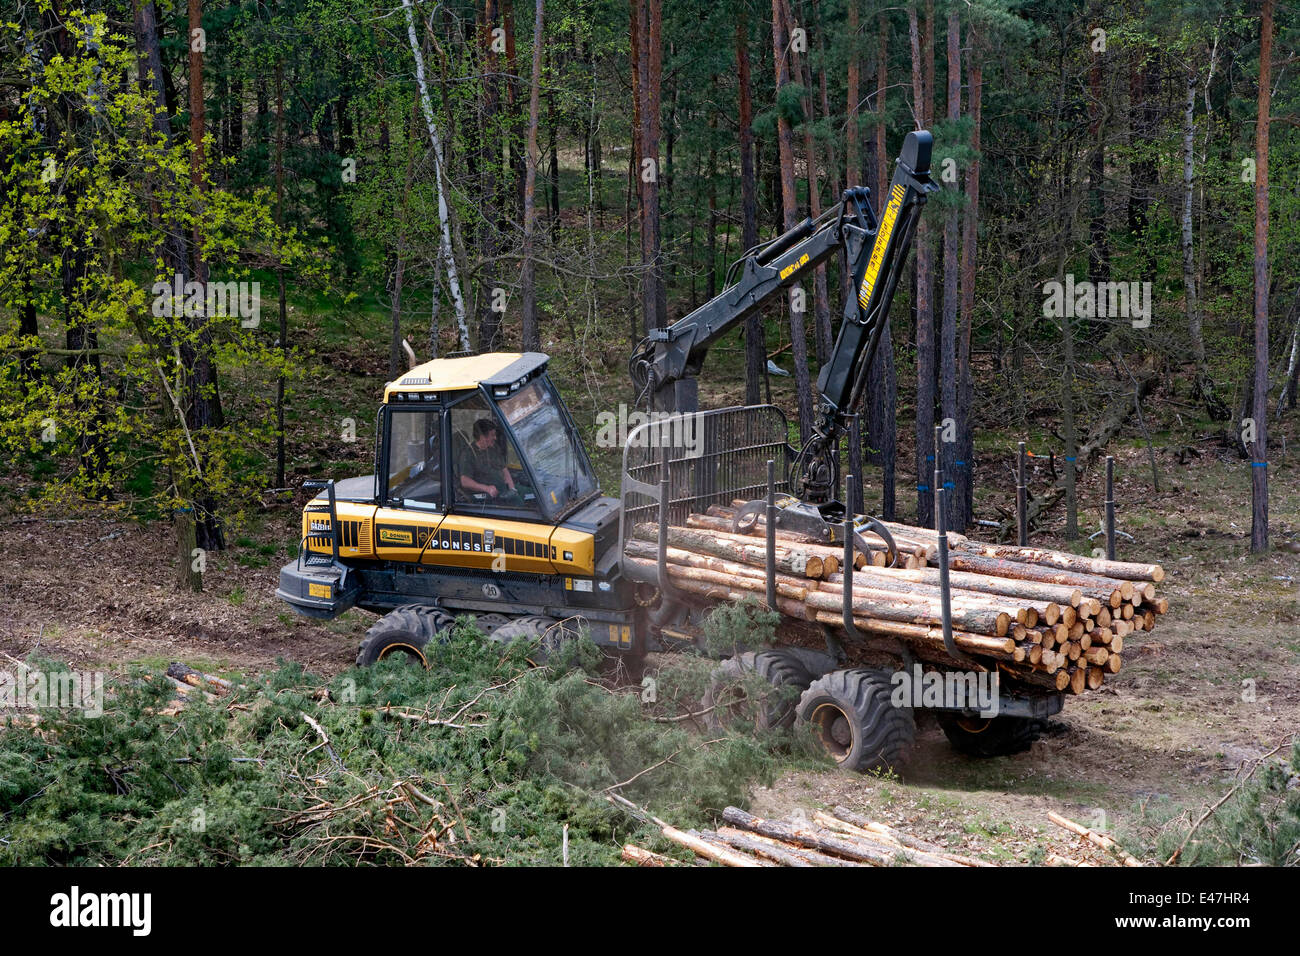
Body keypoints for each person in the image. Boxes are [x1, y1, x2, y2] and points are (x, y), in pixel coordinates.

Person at [457, 418, 515, 500]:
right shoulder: (468, 454)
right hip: (491, 496)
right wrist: (487, 488)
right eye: (492, 435)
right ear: (482, 437)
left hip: (505, 489)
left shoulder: (493, 448)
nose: (495, 438)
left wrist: (512, 488)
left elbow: (504, 469)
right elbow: (465, 481)